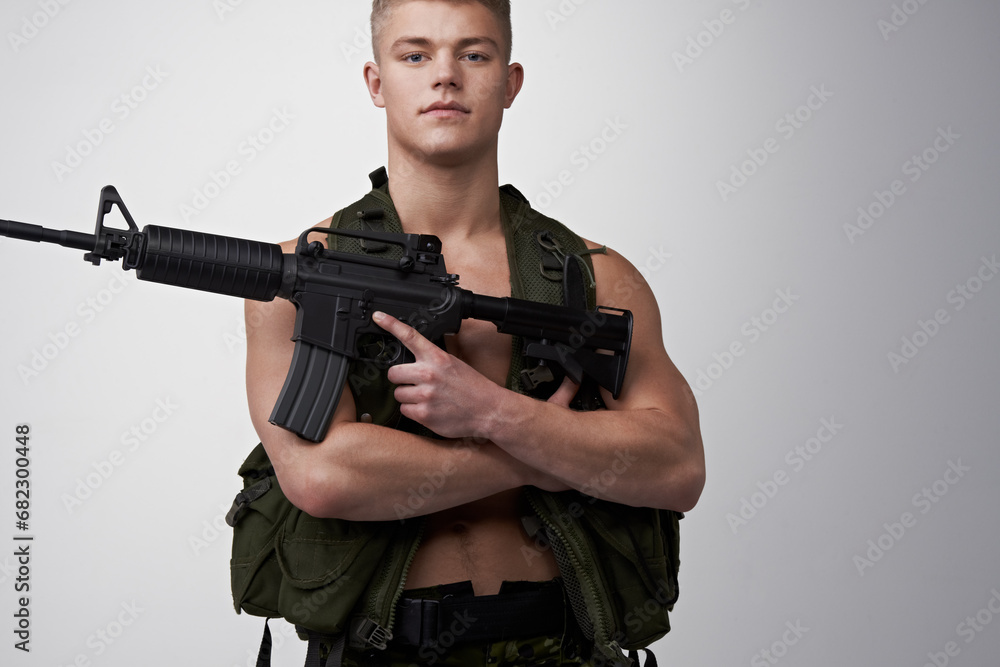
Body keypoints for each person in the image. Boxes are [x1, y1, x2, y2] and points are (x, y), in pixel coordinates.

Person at [243, 1, 704, 664]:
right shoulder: (293, 277)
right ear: (376, 82)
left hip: (565, 647)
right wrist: (540, 455)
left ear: (510, 82)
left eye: (474, 53)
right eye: (415, 54)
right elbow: (323, 473)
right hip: (381, 649)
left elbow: (678, 463)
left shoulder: (598, 277)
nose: (445, 76)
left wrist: (491, 409)